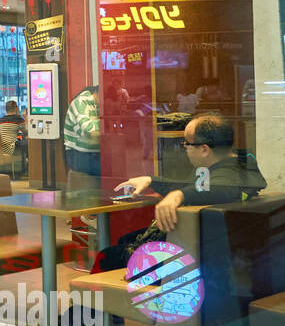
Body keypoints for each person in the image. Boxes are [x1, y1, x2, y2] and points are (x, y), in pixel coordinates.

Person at [95, 112, 267, 294]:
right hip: (191, 250)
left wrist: (179, 195)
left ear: (204, 149)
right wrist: (151, 180)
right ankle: (113, 312)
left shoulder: (226, 179)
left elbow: (220, 189)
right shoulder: (228, 166)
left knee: (106, 256)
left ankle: (87, 312)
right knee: (125, 240)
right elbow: (194, 189)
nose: (184, 147)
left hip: (181, 260)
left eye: (187, 142)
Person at [63, 85, 101, 179]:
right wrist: (104, 124)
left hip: (97, 152)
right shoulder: (81, 102)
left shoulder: (99, 104)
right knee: (86, 188)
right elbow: (90, 130)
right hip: (80, 154)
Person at [0, 99, 27, 175]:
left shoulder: (0, 120)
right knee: (29, 144)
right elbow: (27, 132)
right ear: (16, 109)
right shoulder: (18, 119)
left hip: (1, 150)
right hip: (10, 149)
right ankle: (26, 170)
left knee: (22, 143)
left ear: (6, 109)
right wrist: (25, 117)